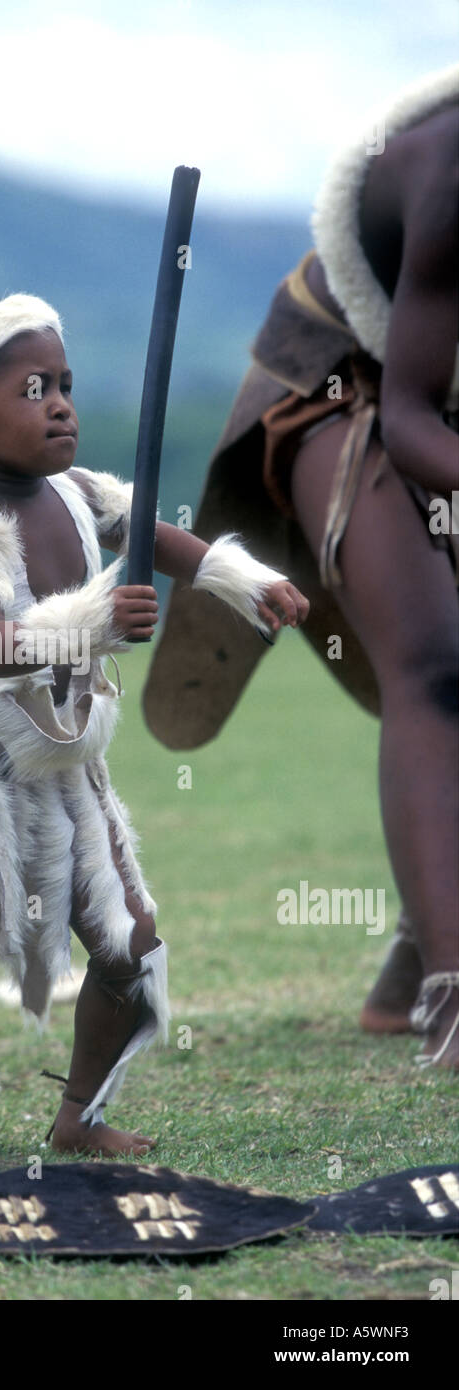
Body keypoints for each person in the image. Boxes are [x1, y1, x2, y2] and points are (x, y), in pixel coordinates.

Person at [0, 291, 309, 1190]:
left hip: (61, 764)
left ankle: (80, 1115)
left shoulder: (75, 492)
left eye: (66, 384)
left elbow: (157, 536)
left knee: (131, 944)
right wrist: (95, 620)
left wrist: (242, 578)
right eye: (35, 387)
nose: (63, 404)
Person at [143, 65, 458, 1068]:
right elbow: (409, 413)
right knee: (435, 666)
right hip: (349, 379)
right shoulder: (450, 172)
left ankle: (409, 963)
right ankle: (451, 998)